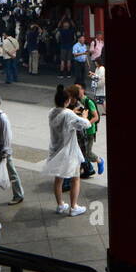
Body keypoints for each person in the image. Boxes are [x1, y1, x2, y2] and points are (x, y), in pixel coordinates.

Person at [43, 85, 89, 216]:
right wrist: (84, 116)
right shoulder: (68, 114)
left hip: (56, 149)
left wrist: (72, 113)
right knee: (75, 178)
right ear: (66, 101)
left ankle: (60, 205)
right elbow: (85, 125)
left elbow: (64, 118)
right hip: (69, 151)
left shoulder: (52, 112)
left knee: (59, 179)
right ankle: (74, 207)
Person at [0, 94, 24, 205]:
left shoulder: (2, 118)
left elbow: (7, 136)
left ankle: (18, 195)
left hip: (3, 151)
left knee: (12, 173)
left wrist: (5, 153)